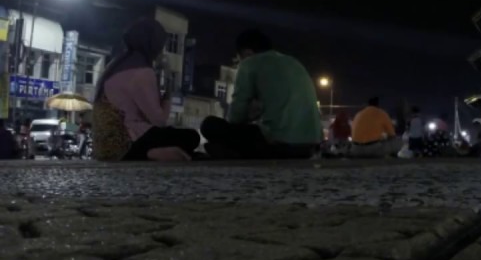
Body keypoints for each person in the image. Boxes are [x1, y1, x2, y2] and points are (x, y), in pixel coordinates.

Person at [201, 29, 322, 159]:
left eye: (239, 59)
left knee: (210, 125)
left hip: (278, 145)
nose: (239, 63)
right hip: (309, 147)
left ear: (247, 53)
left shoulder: (249, 64)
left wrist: (248, 115)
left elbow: (235, 117)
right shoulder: (294, 63)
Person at [93, 18, 200, 161]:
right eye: (161, 45)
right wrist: (168, 87)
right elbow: (159, 120)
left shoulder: (116, 65)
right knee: (191, 137)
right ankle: (149, 153)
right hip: (127, 144)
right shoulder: (142, 71)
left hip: (104, 147)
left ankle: (161, 152)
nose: (161, 50)